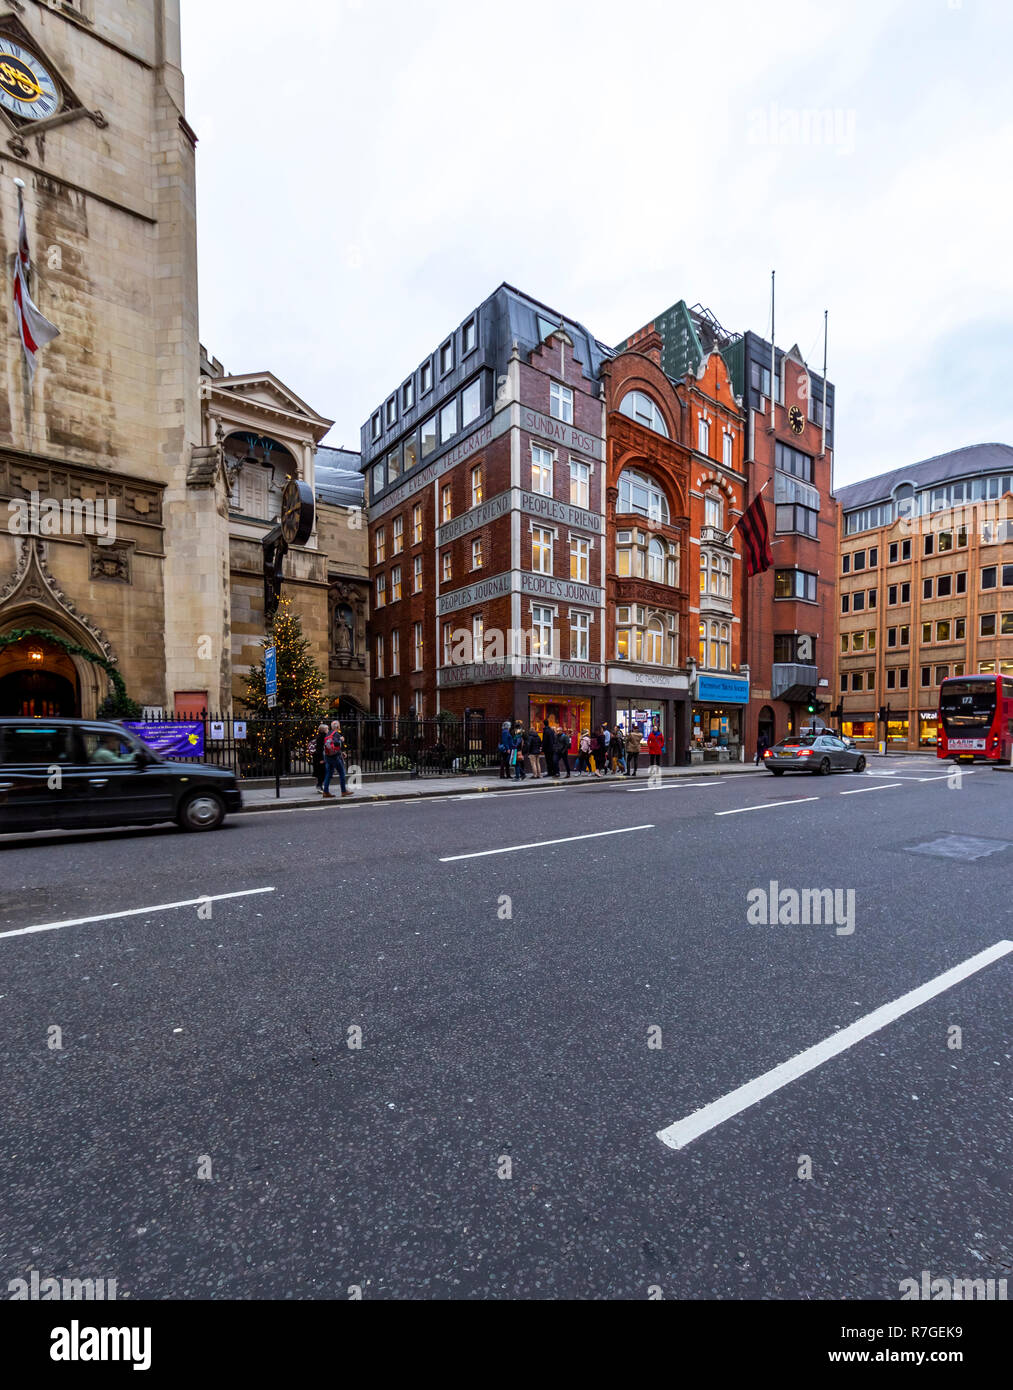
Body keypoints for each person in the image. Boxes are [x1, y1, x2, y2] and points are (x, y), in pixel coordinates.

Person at [322, 720, 352, 798]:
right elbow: (336, 745)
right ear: (338, 727)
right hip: (335, 757)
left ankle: (325, 792)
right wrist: (341, 740)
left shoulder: (328, 734)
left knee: (328, 774)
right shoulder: (337, 734)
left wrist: (341, 752)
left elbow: (329, 746)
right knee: (342, 773)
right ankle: (343, 791)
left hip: (328, 756)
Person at [312, 721, 329, 793]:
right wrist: (321, 759)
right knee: (322, 773)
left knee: (323, 772)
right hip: (320, 758)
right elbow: (319, 749)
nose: (328, 730)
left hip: (320, 757)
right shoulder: (321, 737)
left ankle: (321, 786)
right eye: (327, 729)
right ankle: (319, 786)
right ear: (324, 730)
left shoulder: (322, 736)